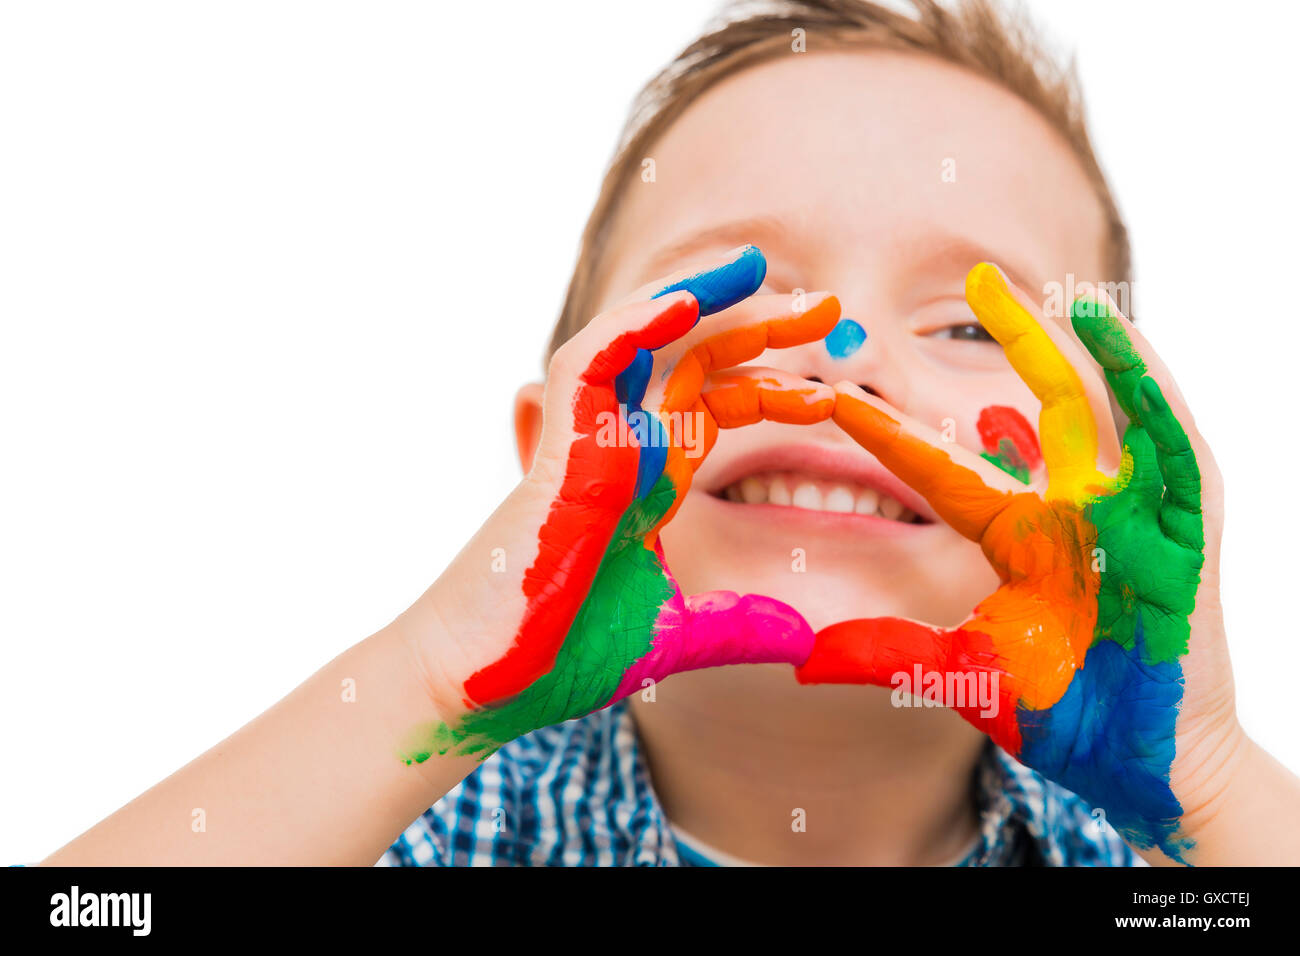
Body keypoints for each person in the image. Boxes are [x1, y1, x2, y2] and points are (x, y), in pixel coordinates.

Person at [41, 0, 1300, 867]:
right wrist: (428, 679)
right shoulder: (426, 818)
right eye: (738, 293)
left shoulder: (1164, 862)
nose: (838, 351)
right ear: (550, 462)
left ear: (1108, 481)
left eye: (972, 326)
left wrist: (1210, 781)